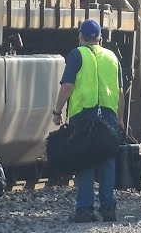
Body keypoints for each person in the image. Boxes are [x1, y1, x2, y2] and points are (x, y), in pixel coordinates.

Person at [52, 19, 123, 223]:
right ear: (100, 38)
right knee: (107, 161)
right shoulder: (112, 57)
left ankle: (84, 210)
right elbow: (120, 92)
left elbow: (67, 86)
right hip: (108, 117)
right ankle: (108, 209)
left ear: (80, 37)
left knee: (85, 161)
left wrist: (57, 111)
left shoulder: (77, 54)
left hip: (84, 117)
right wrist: (120, 119)